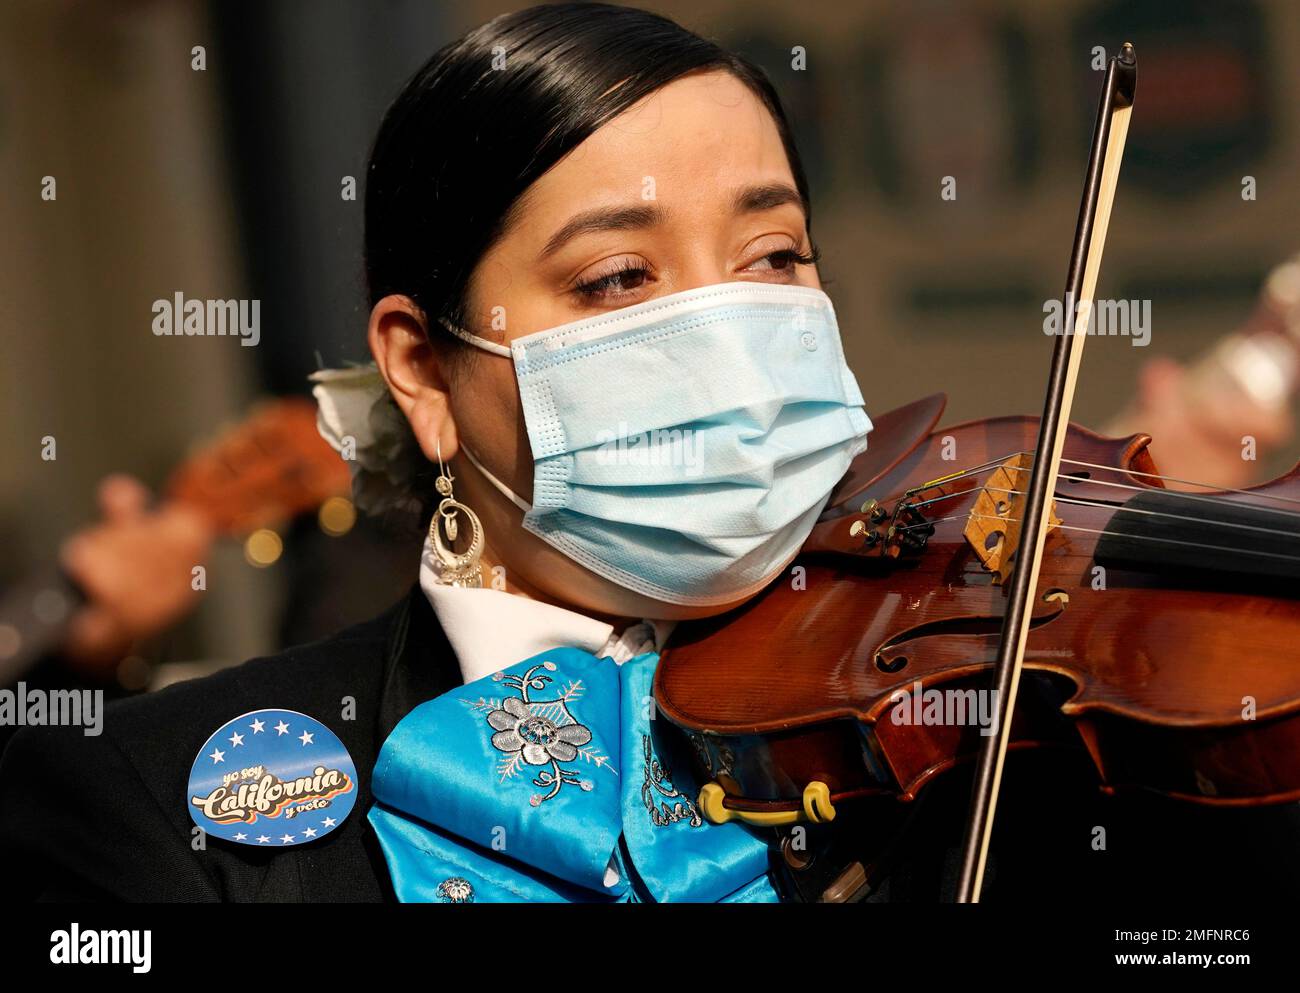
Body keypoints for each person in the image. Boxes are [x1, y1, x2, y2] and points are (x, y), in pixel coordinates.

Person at [3, 3, 1297, 904]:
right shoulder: (149, 795)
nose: (728, 328)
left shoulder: (1011, 746)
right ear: (421, 366)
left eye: (776, 255)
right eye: (619, 276)